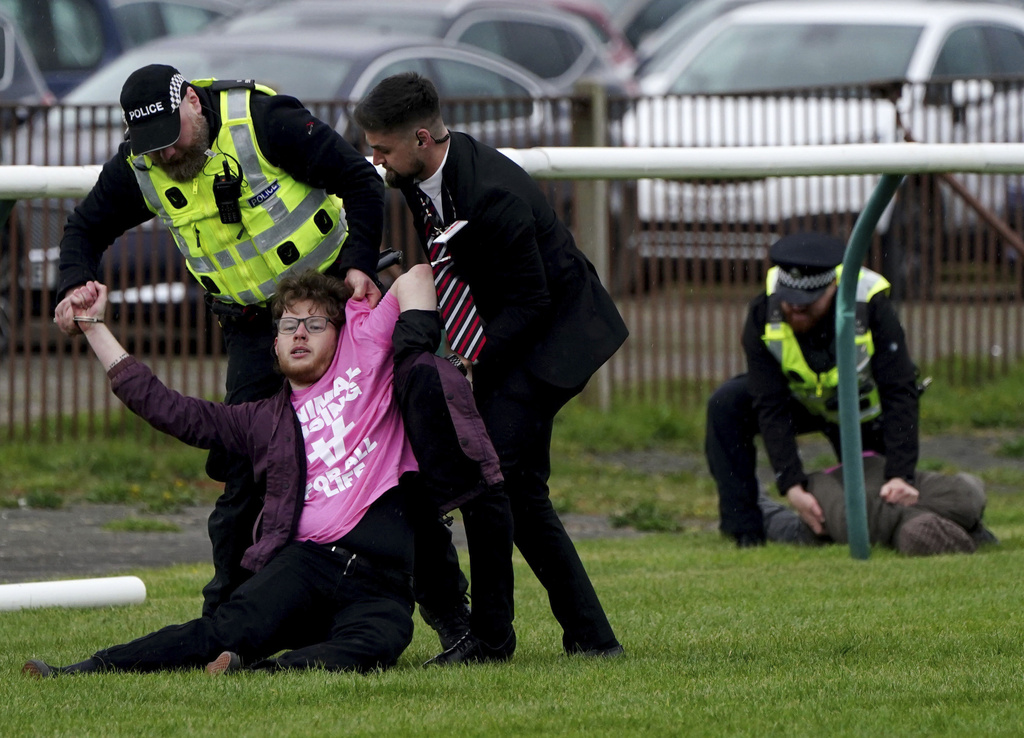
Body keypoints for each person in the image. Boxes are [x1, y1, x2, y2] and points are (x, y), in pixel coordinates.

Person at [23, 265, 498, 677]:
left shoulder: (368, 351)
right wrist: (93, 326)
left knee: (381, 643)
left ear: (342, 331)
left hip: (383, 579)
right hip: (305, 565)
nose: (299, 334)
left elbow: (418, 277)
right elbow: (165, 407)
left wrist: (410, 348)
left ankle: (263, 671)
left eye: (314, 324)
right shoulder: (260, 419)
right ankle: (86, 668)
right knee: (225, 628)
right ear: (273, 345)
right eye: (288, 325)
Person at [51, 64, 386, 617]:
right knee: (241, 478)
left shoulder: (265, 121)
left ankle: (448, 616)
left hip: (331, 311)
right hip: (254, 332)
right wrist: (74, 285)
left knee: (382, 458)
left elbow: (361, 181)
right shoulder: (141, 162)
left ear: (191, 104)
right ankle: (226, 620)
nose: (163, 157)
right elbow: (83, 228)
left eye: (169, 139)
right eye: (150, 146)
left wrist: (358, 268)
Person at [353, 72, 629, 664]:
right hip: (514, 335)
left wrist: (462, 358)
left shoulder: (493, 193)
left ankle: (491, 640)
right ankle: (592, 638)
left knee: (489, 479)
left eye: (383, 148)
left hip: (555, 338)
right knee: (521, 493)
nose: (376, 161)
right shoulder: (418, 174)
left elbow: (532, 303)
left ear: (421, 137)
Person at [706, 232, 921, 547]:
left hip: (860, 412)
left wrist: (901, 474)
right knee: (726, 405)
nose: (794, 311)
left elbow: (900, 391)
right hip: (801, 402)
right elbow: (770, 404)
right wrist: (792, 484)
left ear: (833, 288)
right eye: (788, 302)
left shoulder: (870, 304)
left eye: (806, 305)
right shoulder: (763, 310)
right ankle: (744, 528)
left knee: (876, 512)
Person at [758, 453, 993, 555]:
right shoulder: (959, 499)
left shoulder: (958, 499)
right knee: (794, 526)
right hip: (837, 493)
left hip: (862, 481)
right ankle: (757, 501)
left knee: (785, 524)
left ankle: (757, 501)